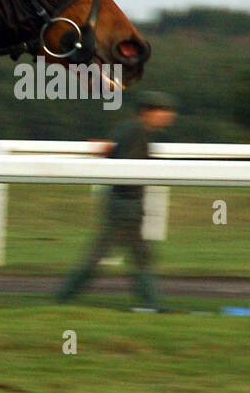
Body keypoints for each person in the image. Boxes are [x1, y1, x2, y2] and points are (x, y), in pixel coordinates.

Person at [56, 91, 179, 310]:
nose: (168, 117)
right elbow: (128, 167)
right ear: (148, 112)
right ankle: (64, 298)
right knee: (109, 254)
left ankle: (150, 303)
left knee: (131, 254)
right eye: (164, 112)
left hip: (123, 201)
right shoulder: (137, 131)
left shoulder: (131, 129)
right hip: (125, 203)